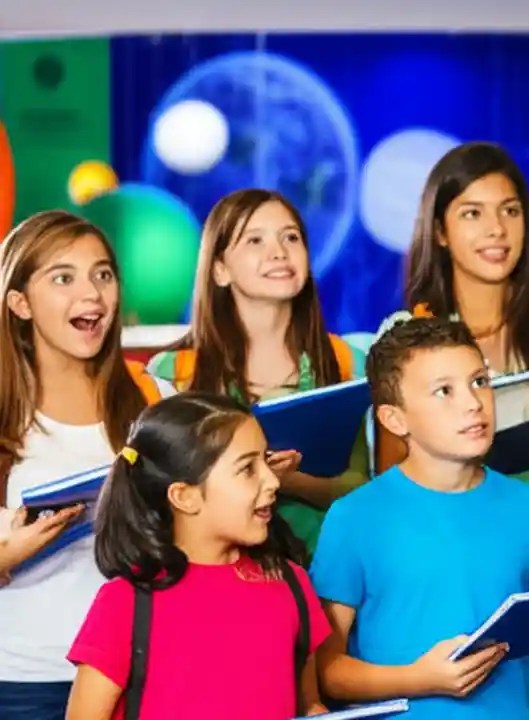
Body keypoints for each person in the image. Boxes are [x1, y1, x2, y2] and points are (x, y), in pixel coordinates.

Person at [374, 144, 529, 717]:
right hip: (443, 608)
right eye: (472, 213)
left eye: (510, 210)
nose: (496, 228)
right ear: (441, 231)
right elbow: (390, 487)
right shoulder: (407, 339)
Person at [311, 317, 529, 720]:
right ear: (395, 420)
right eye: (444, 391)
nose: (472, 402)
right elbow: (327, 672)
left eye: (480, 382)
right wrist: (420, 679)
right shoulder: (353, 518)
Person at [0, 211, 174, 719]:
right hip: (23, 682)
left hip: (138, 675)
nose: (92, 294)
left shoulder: (154, 398)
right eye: (63, 277)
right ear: (20, 303)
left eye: (102, 274)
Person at [64, 393, 332, 719]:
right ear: (185, 497)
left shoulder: (291, 583)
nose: (272, 480)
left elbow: (308, 704)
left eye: (266, 459)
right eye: (247, 468)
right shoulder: (126, 602)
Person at [148, 189, 369, 560]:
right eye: (255, 240)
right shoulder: (173, 374)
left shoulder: (349, 362)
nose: (279, 252)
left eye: (291, 237)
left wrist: (293, 481)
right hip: (223, 581)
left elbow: (363, 487)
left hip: (330, 574)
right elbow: (165, 497)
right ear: (219, 269)